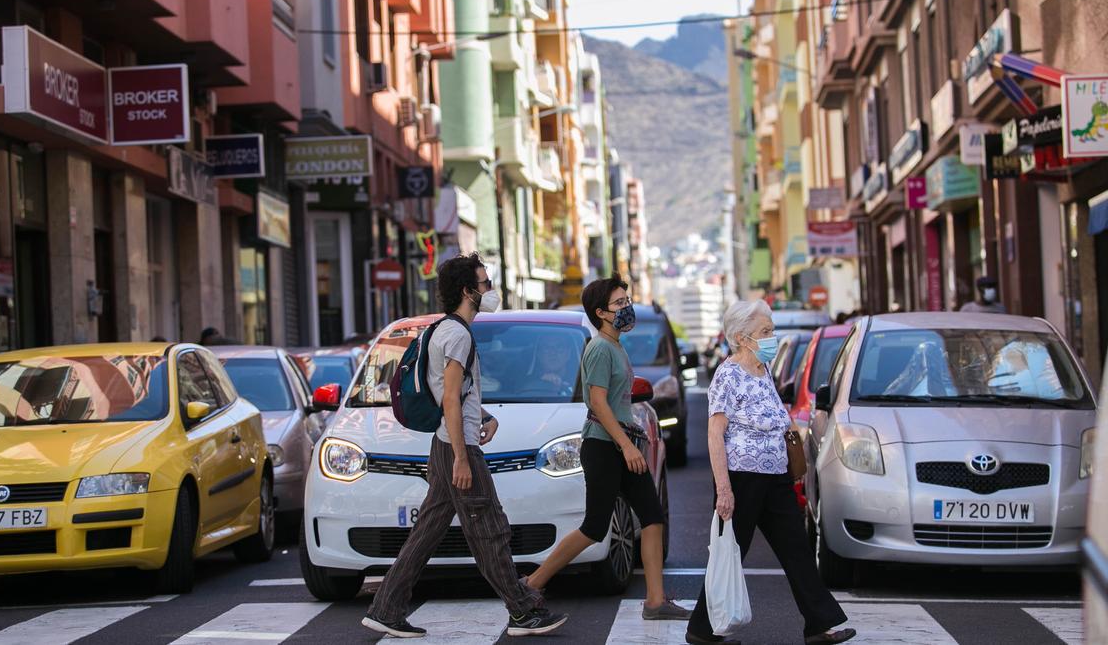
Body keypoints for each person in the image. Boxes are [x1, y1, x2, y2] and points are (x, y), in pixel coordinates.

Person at [363, 253, 567, 639]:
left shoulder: (442, 330)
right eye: (485, 283)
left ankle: (386, 607)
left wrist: (483, 416)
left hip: (446, 444)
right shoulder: (457, 334)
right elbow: (451, 400)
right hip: (456, 447)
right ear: (467, 291)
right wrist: (461, 456)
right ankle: (522, 611)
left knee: (427, 532)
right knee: (489, 529)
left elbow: (454, 394)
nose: (490, 290)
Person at [688, 300, 855, 645]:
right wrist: (723, 489)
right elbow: (715, 433)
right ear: (742, 337)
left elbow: (781, 419)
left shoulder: (763, 372)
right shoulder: (728, 373)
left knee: (796, 548)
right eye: (765, 332)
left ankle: (820, 624)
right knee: (730, 551)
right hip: (742, 478)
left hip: (775, 478)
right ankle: (702, 629)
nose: (772, 337)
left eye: (771, 330)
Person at [525, 275, 691, 621]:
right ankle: (531, 584)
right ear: (600, 312)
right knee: (594, 527)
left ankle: (656, 601)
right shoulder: (600, 347)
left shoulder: (615, 345)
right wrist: (626, 447)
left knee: (651, 517)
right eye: (619, 303)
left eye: (626, 300)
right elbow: (598, 404)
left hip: (617, 443)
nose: (626, 307)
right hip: (604, 447)